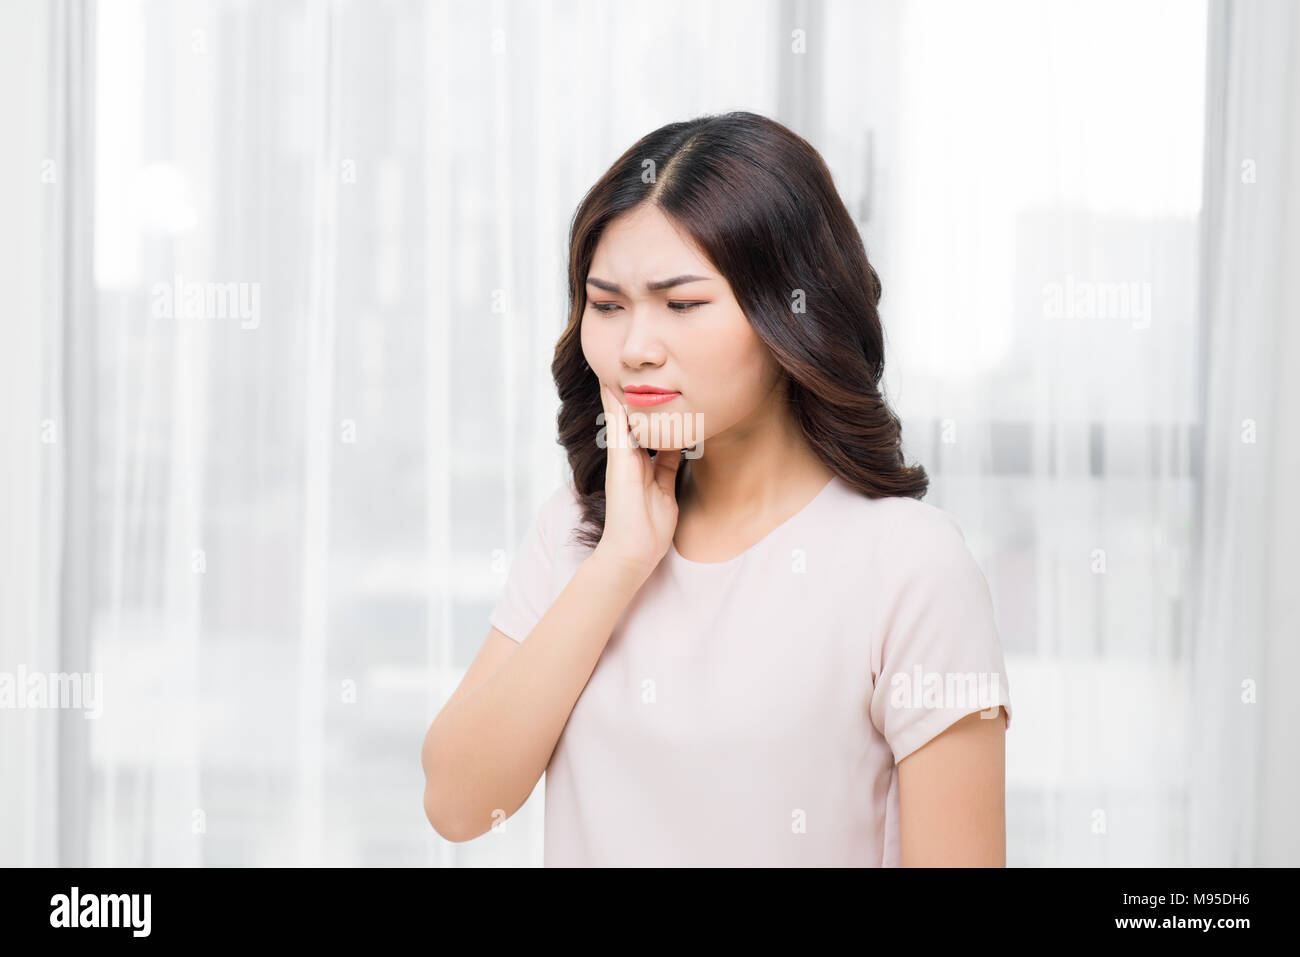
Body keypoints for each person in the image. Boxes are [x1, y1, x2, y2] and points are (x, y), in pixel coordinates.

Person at [422, 111, 1012, 866]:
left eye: (683, 304)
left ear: (791, 312)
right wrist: (620, 562)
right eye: (607, 306)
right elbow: (459, 804)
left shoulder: (910, 567)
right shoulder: (577, 531)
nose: (635, 347)